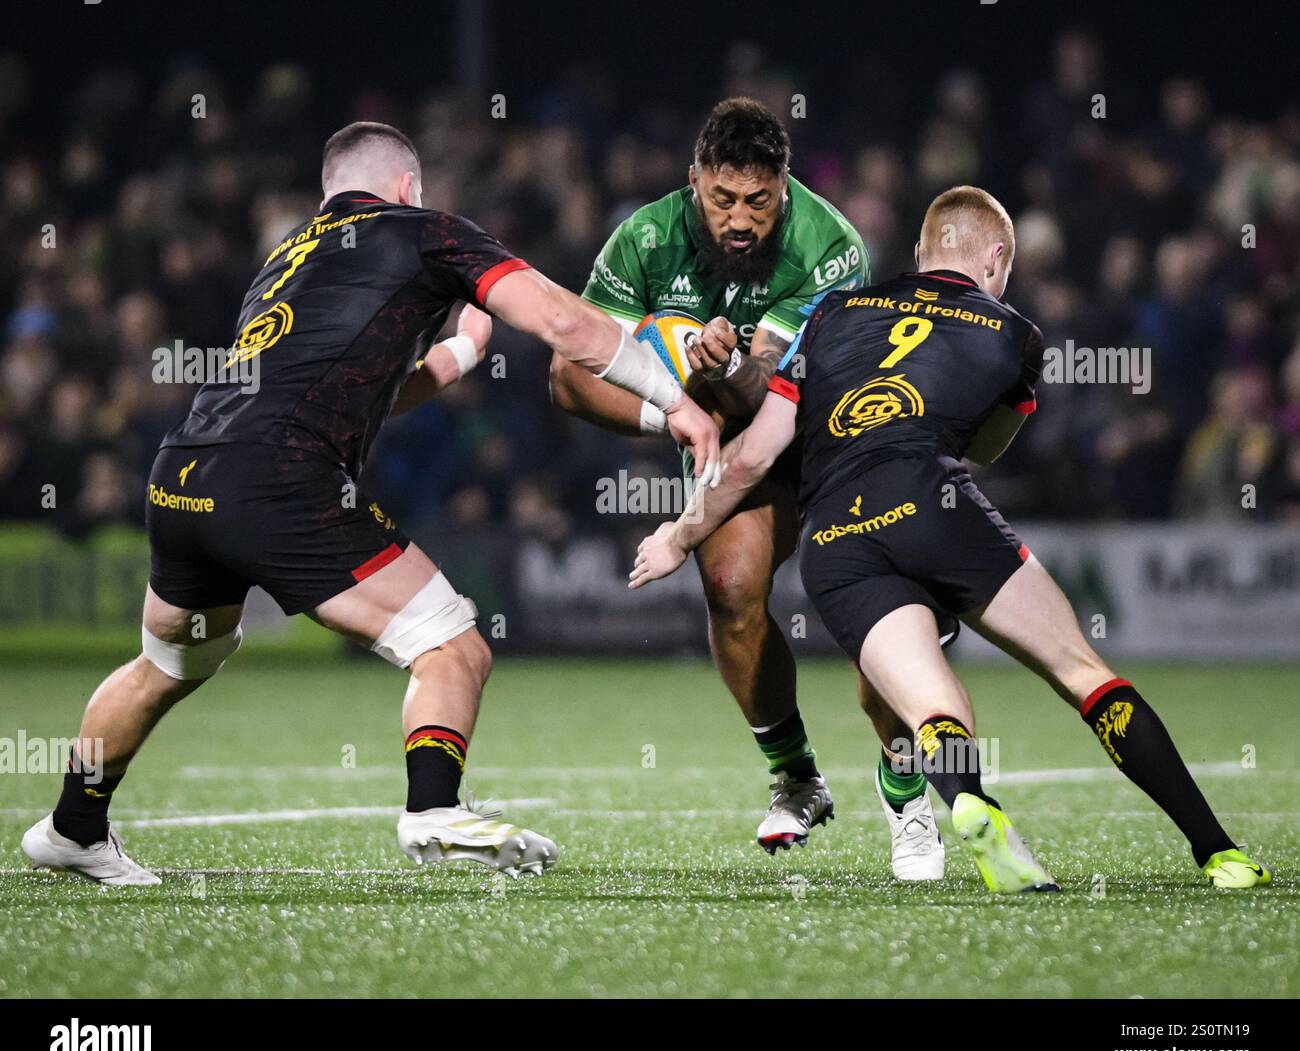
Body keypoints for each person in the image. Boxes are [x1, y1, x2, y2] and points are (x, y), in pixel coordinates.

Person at [21, 121, 721, 886]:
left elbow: (351, 392)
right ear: (406, 188)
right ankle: (433, 809)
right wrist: (668, 403)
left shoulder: (284, 260)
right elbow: (561, 321)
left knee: (167, 663)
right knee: (454, 645)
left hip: (184, 472)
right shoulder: (427, 232)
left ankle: (72, 827)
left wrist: (456, 357)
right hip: (278, 480)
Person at [629, 185, 1272, 892]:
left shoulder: (833, 314)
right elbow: (983, 448)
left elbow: (751, 457)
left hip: (837, 538)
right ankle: (1217, 852)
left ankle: (969, 801)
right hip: (933, 506)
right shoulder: (1014, 332)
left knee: (934, 709)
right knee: (1084, 674)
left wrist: (678, 535)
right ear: (996, 257)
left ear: (918, 253)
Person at [553, 98, 944, 868]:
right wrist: (669, 413)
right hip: (730, 447)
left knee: (872, 614)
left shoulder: (827, 245)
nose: (740, 219)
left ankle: (907, 796)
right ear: (693, 180)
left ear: (785, 187)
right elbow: (567, 377)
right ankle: (796, 776)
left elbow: (772, 395)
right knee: (731, 588)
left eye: (759, 202)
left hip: (832, 441)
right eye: (722, 199)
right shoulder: (645, 237)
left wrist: (727, 368)